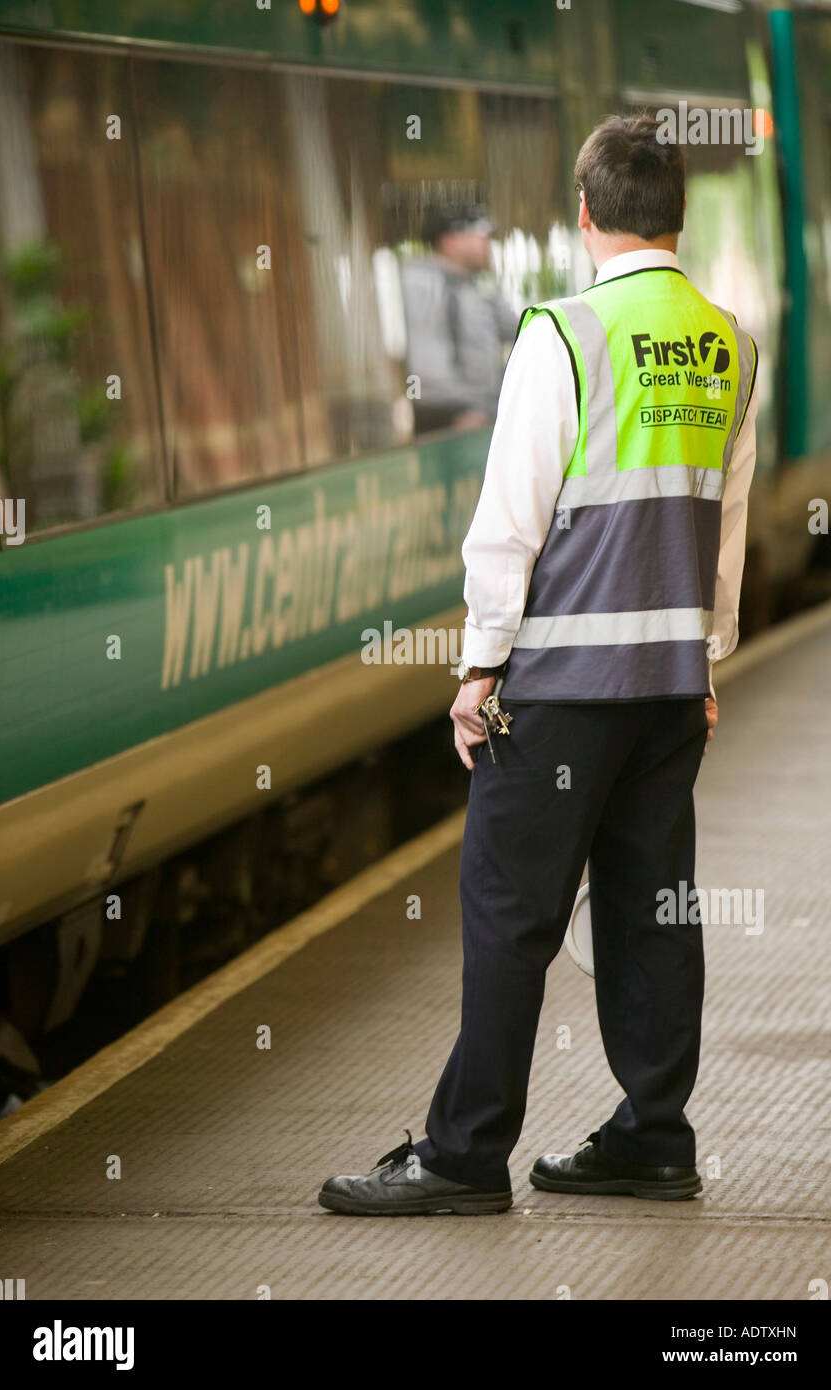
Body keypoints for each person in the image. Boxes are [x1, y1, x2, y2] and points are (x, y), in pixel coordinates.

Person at [319, 115, 758, 1215]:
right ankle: (655, 1136)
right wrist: (708, 662)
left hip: (559, 688)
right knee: (652, 908)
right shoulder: (729, 342)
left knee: (511, 913)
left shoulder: (563, 335)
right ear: (678, 215)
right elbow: (729, 525)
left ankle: (466, 1155)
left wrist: (478, 667)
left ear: (583, 214)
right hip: (665, 688)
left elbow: (508, 523)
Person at [399, 204, 519, 433]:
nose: (486, 242)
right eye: (478, 233)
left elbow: (517, 328)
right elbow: (425, 370)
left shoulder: (474, 284)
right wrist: (460, 411)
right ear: (449, 241)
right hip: (451, 420)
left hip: (480, 415)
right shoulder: (425, 284)